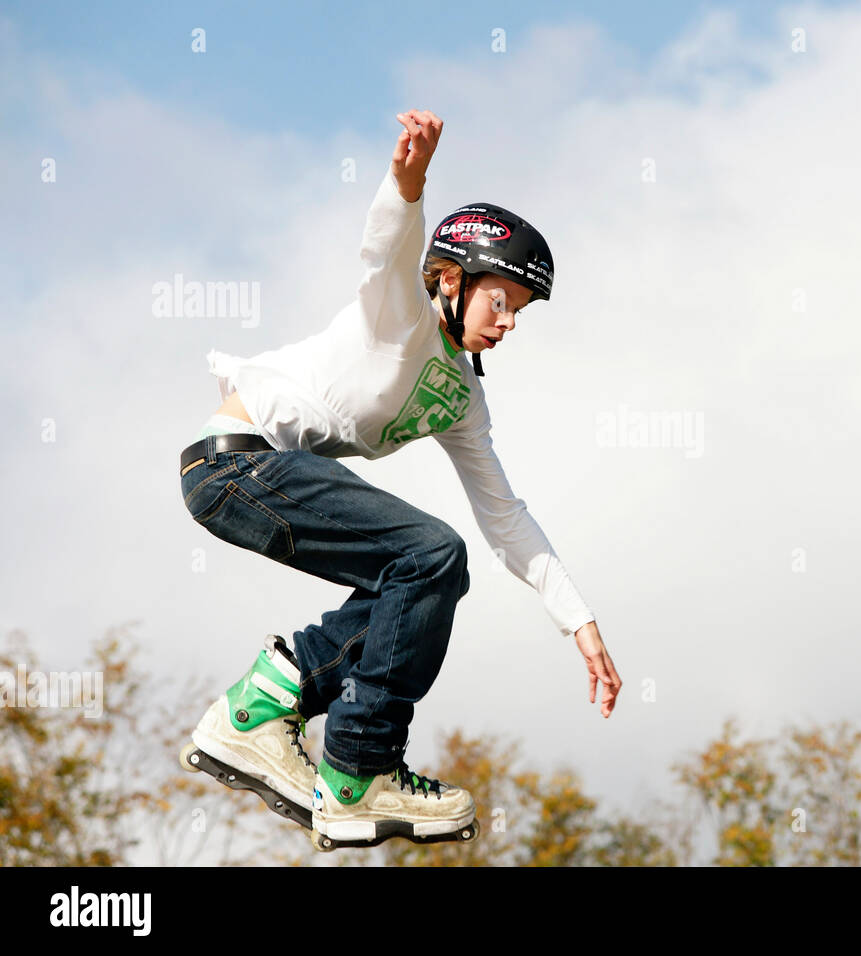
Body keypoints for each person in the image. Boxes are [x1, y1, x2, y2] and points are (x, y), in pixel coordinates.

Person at [177, 109, 621, 847]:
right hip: (234, 461)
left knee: (426, 575)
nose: (509, 323)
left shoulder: (462, 398)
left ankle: (261, 705)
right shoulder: (403, 314)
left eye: (521, 312)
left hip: (259, 476)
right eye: (502, 300)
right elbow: (387, 246)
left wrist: (579, 620)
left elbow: (505, 516)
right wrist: (407, 181)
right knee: (428, 553)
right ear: (452, 278)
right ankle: (360, 766)